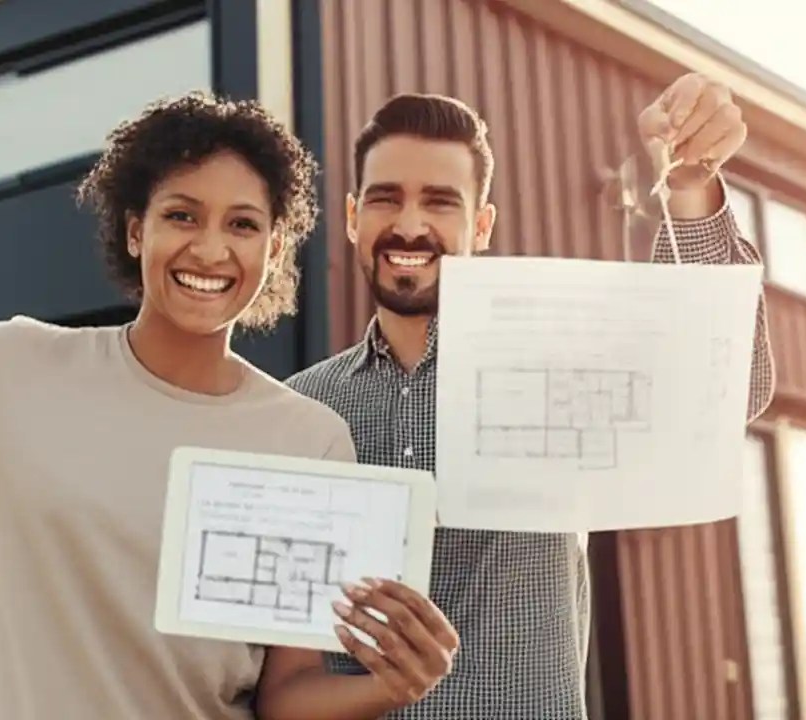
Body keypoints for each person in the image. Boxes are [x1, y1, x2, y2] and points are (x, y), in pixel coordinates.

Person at [0, 91, 458, 720]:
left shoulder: (309, 437)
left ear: (273, 247)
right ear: (136, 229)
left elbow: (281, 693)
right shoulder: (6, 371)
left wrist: (388, 684)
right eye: (181, 215)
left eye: (242, 224)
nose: (209, 248)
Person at [285, 73, 777, 719]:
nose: (409, 226)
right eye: (385, 199)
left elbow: (728, 385)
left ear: (482, 225)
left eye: (440, 202)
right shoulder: (299, 409)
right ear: (352, 218)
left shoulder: (558, 370)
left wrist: (688, 187)